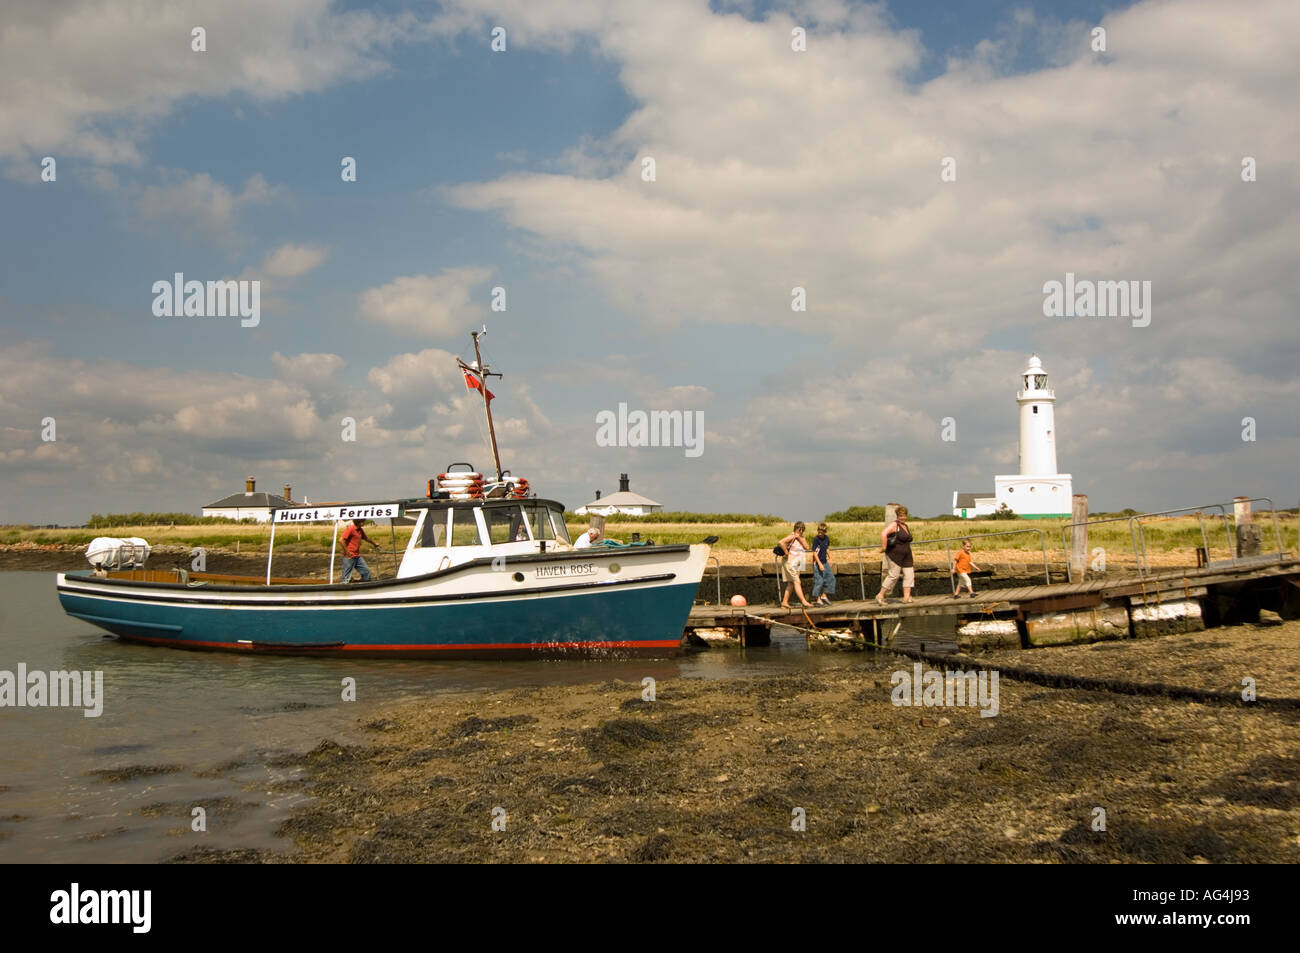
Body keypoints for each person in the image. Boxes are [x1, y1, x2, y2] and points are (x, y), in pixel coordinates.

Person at [875, 505, 914, 604]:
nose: (903, 518)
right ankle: (880, 595)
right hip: (895, 555)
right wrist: (884, 547)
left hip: (907, 555)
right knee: (893, 575)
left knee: (909, 575)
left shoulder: (905, 526)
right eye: (901, 516)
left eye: (904, 515)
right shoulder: (894, 525)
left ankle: (907, 597)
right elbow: (883, 533)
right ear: (897, 516)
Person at [776, 521, 814, 608]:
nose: (800, 532)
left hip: (798, 562)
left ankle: (785, 602)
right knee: (797, 581)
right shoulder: (792, 536)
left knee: (791, 583)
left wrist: (799, 538)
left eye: (802, 530)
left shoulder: (801, 537)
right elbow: (781, 542)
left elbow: (807, 547)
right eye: (799, 530)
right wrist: (786, 552)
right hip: (790, 561)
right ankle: (804, 602)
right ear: (796, 529)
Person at [340, 518, 380, 582]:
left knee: (366, 572)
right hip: (349, 556)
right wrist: (347, 552)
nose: (364, 523)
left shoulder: (360, 530)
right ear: (359, 522)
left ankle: (363, 586)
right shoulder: (351, 529)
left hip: (357, 556)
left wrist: (374, 543)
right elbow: (341, 540)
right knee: (346, 577)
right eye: (363, 521)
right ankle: (343, 587)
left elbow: (366, 538)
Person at [811, 521, 835, 606]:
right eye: (819, 532)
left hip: (825, 562)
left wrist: (830, 558)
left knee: (830, 578)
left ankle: (824, 596)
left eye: (821, 532)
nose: (819, 534)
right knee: (819, 581)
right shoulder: (816, 539)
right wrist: (819, 564)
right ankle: (818, 599)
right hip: (817, 563)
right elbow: (814, 552)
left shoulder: (826, 538)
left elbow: (827, 548)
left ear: (825, 532)